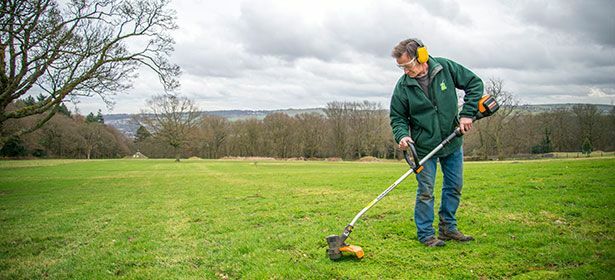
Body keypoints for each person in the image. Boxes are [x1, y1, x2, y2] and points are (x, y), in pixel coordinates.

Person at [389, 38, 484, 247]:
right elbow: (397, 117)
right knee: (426, 191)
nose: (404, 71)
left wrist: (467, 114)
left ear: (421, 57)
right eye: (400, 67)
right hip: (424, 148)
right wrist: (402, 135)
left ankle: (448, 228)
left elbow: (475, 84)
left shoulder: (445, 68)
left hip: (452, 141)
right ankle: (426, 235)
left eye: (407, 66)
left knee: (454, 186)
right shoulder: (404, 86)